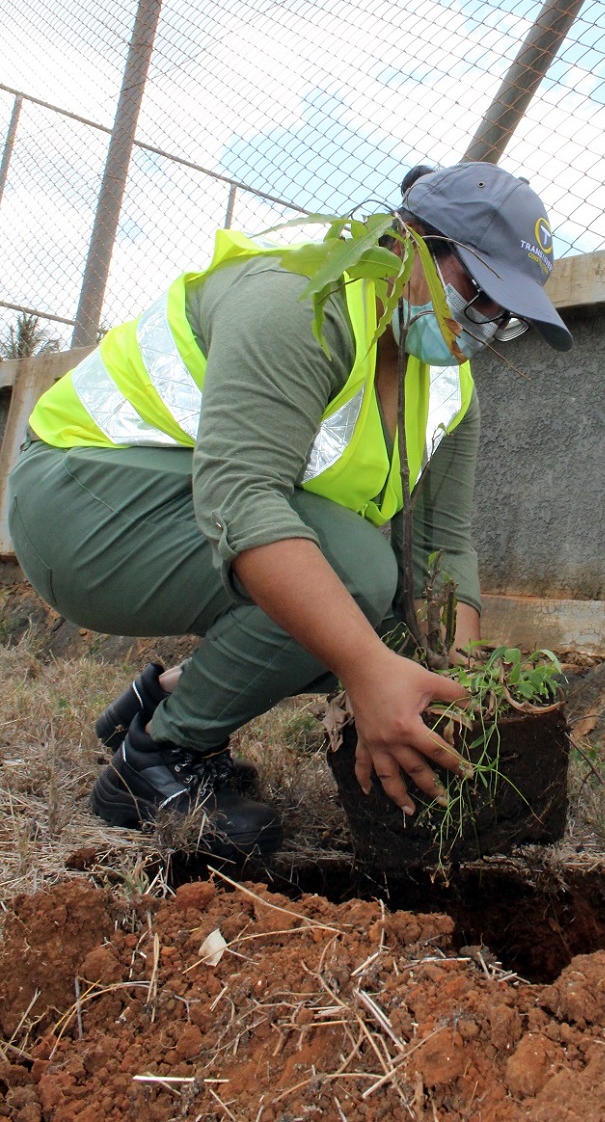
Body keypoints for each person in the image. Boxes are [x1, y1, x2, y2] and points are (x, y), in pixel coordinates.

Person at [8, 162, 572, 856]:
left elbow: (443, 549)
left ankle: (168, 697)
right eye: (479, 292)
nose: (486, 322)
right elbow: (242, 498)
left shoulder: (448, 385)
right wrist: (366, 673)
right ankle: (157, 759)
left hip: (180, 510)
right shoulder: (301, 301)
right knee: (360, 583)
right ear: (411, 243)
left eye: (506, 315)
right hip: (80, 504)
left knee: (401, 637)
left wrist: (455, 690)